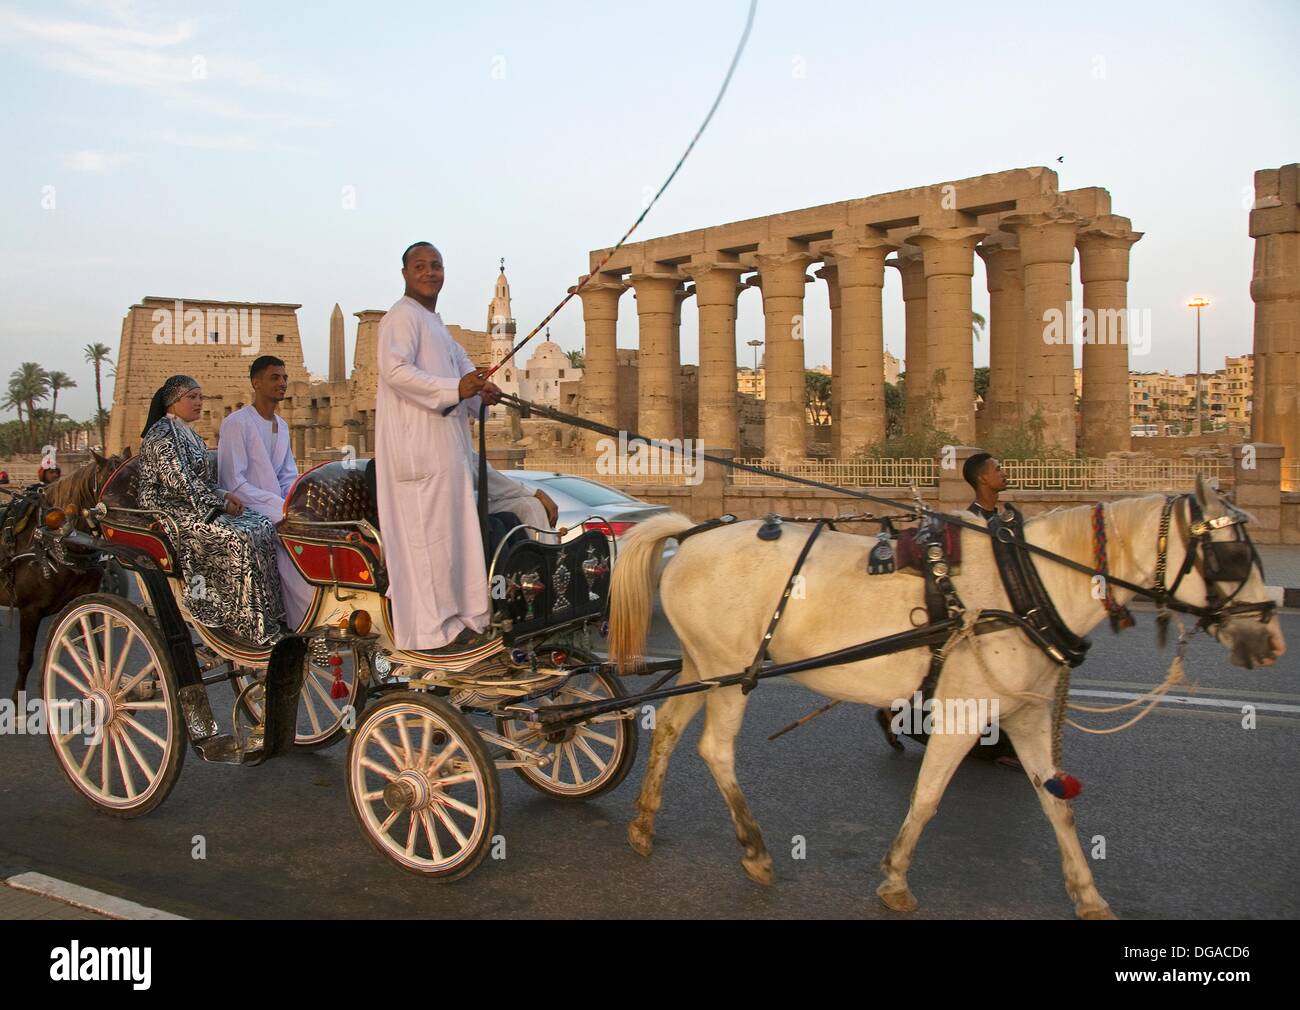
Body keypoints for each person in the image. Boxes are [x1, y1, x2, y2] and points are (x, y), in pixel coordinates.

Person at [375, 241, 559, 654]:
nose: (430, 272)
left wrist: (480, 392)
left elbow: (467, 380)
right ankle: (430, 636)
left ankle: (485, 619)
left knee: (461, 542)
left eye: (436, 265)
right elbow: (396, 372)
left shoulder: (438, 328)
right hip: (420, 457)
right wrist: (454, 388)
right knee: (433, 548)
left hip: (450, 456)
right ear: (405, 274)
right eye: (420, 266)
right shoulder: (400, 318)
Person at [136, 374, 286, 645]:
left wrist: (224, 493)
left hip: (195, 502)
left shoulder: (189, 434)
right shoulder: (161, 436)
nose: (199, 403)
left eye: (200, 397)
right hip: (169, 509)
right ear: (173, 401)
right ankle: (239, 617)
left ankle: (268, 614)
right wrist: (220, 503)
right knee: (238, 537)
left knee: (262, 525)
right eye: (191, 397)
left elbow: (201, 481)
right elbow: (180, 483)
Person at [217, 355, 316, 628]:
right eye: (275, 377)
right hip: (246, 507)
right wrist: (279, 507)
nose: (282, 383)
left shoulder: (281, 426)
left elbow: (287, 475)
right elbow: (233, 482)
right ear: (256, 383)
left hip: (276, 506)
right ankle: (298, 619)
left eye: (284, 378)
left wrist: (296, 502)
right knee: (288, 542)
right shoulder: (237, 423)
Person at [962, 451, 1007, 520]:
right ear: (982, 479)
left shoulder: (995, 516)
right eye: (998, 470)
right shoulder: (972, 522)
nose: (1005, 474)